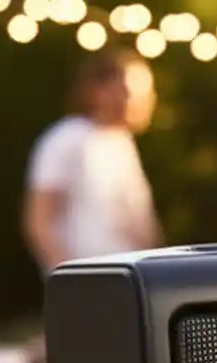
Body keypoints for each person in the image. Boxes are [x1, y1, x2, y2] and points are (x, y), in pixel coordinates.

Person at [24, 49, 159, 271]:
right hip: (92, 285)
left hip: (131, 282)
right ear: (98, 91)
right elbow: (39, 222)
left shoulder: (122, 144)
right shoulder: (66, 139)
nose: (143, 100)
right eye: (129, 91)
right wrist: (71, 277)